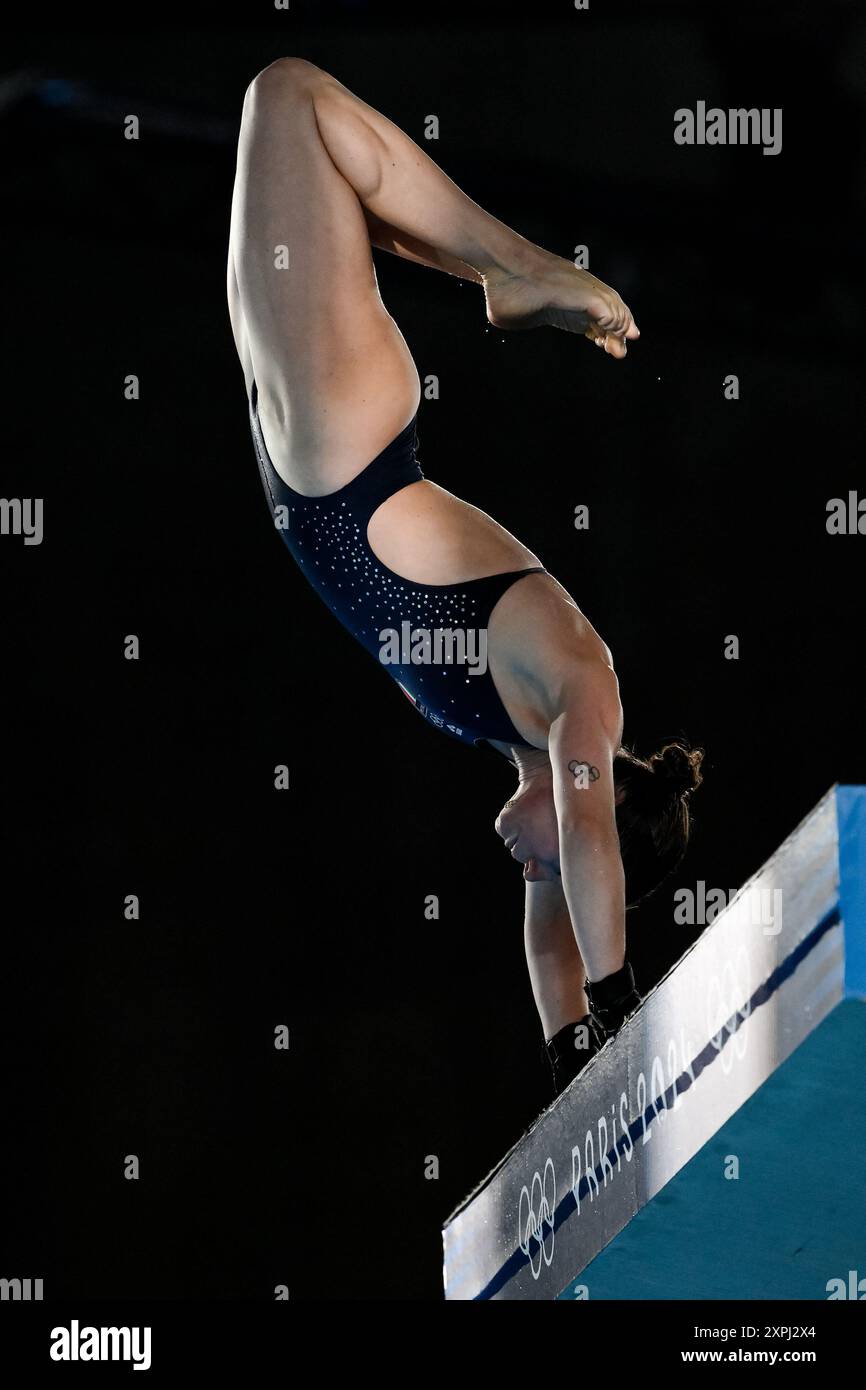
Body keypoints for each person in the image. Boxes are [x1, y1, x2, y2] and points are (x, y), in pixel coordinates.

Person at [226, 57, 704, 1098]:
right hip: (347, 451)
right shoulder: (582, 697)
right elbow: (580, 841)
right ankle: (515, 268)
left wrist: (569, 1053)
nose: (522, 868)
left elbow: (549, 939)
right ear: (607, 808)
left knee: (324, 170)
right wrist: (621, 1002)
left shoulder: (520, 743)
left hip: (305, 460)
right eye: (548, 868)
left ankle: (496, 271)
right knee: (286, 97)